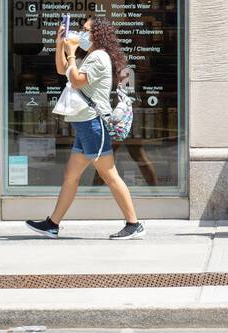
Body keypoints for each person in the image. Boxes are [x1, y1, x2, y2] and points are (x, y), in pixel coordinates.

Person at [26, 15, 144, 240]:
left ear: (98, 35)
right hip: (84, 124)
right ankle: (52, 224)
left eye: (87, 30)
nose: (82, 33)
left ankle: (133, 223)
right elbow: (64, 71)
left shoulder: (98, 57)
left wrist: (70, 53)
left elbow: (78, 80)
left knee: (110, 175)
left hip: (92, 124)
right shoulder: (90, 56)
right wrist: (60, 44)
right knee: (71, 175)